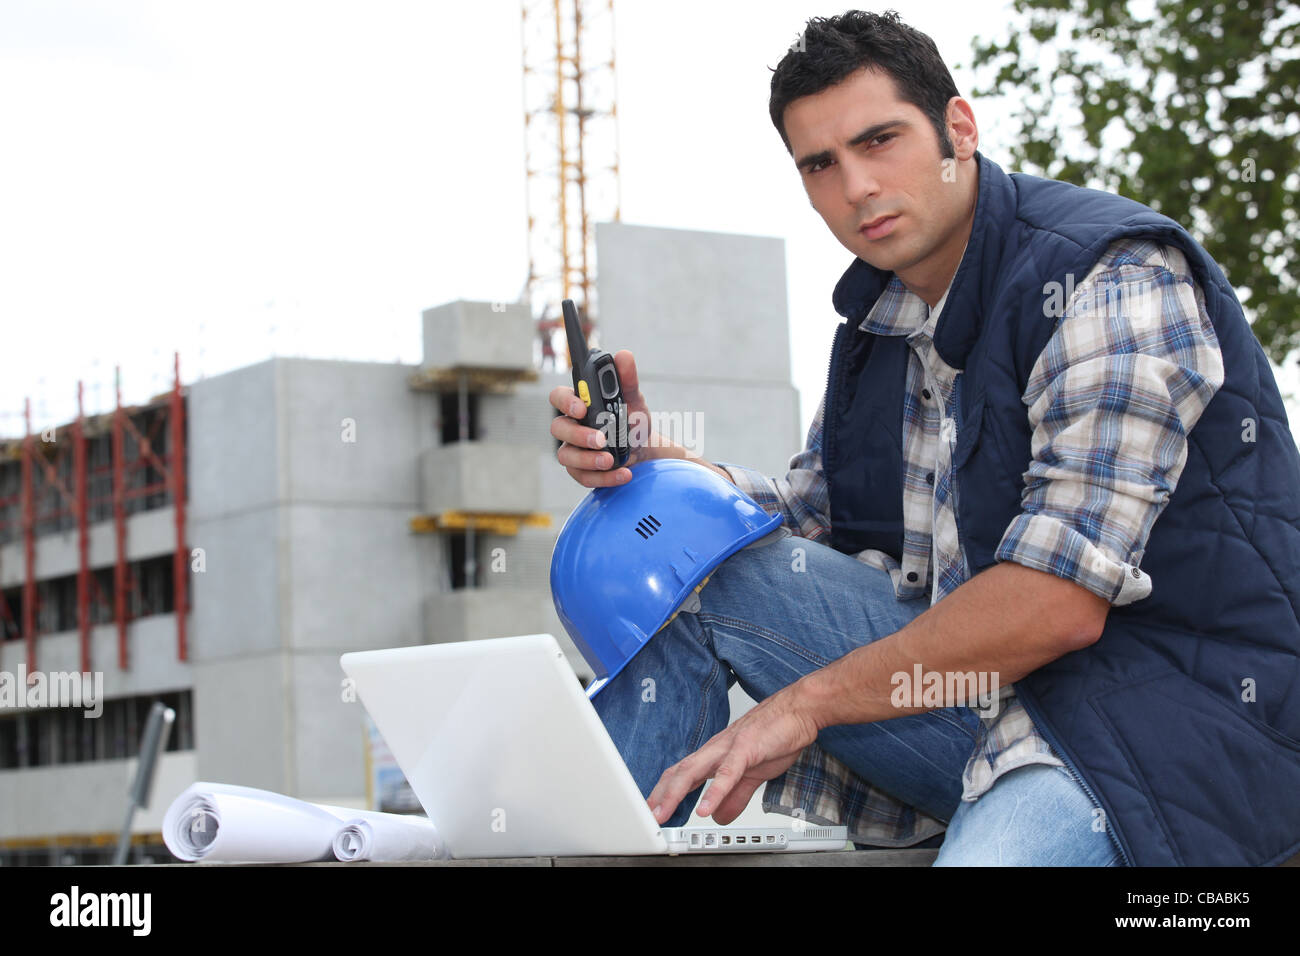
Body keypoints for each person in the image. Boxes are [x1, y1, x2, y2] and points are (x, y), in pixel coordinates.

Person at [548, 10, 1300, 866]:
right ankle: (615, 843)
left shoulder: (1111, 275)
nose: (858, 186)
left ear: (959, 129)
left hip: (1164, 730)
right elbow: (813, 520)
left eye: (881, 141)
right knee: (686, 542)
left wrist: (807, 703)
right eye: (821, 165)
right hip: (977, 701)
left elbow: (1053, 603)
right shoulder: (878, 323)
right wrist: (666, 469)